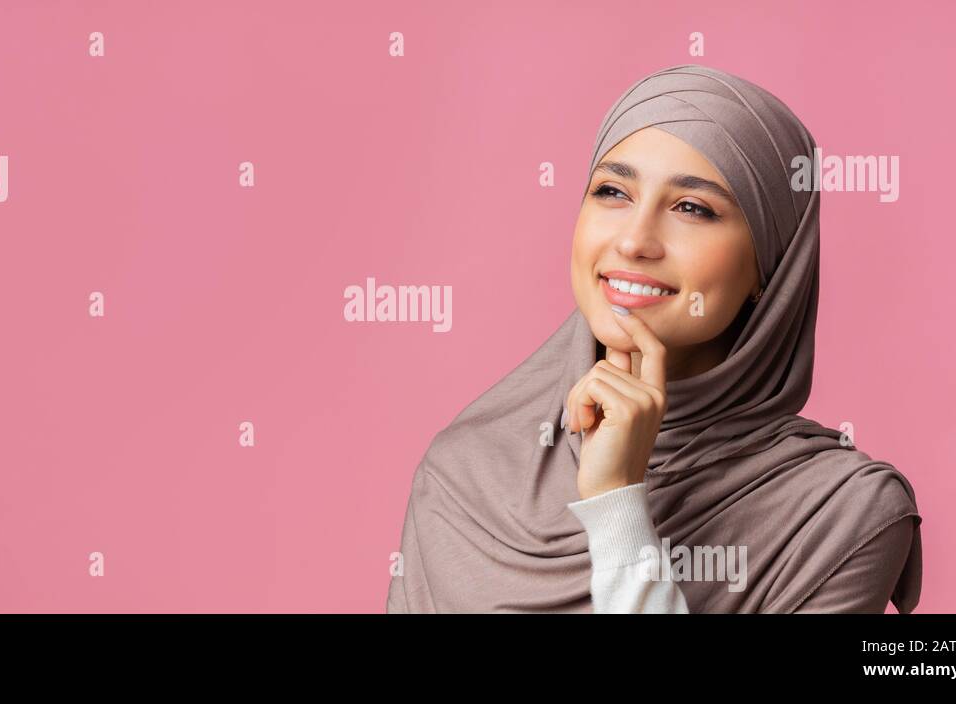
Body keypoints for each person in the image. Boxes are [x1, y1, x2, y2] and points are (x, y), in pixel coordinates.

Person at [385, 64, 923, 613]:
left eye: (692, 208)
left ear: (770, 264)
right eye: (613, 191)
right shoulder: (466, 469)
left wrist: (616, 505)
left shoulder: (841, 513)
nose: (635, 241)